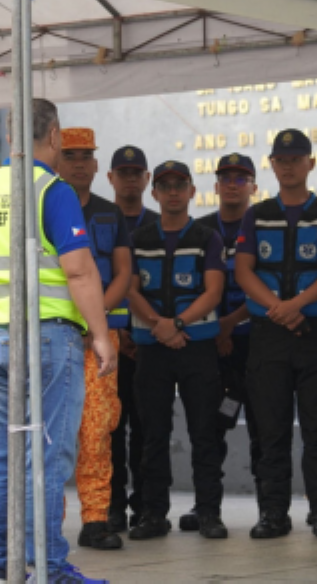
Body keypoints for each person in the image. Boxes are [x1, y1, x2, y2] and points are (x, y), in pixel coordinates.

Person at [0, 98, 115, 584]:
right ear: (53, 138)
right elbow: (78, 268)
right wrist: (102, 335)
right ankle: (46, 568)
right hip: (48, 336)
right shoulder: (53, 189)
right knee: (46, 455)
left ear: (9, 137)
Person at [235, 129, 317, 539]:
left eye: (296, 158)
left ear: (310, 163)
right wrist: (277, 308)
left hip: (316, 334)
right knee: (271, 430)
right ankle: (273, 514)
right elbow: (244, 269)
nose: (288, 166)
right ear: (272, 164)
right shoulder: (257, 213)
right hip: (269, 335)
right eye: (281, 160)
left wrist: (295, 304)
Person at [125, 160, 228, 541]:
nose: (172, 191)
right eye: (165, 185)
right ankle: (152, 514)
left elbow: (213, 291)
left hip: (197, 346)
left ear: (191, 192)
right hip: (152, 349)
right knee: (152, 433)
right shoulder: (140, 238)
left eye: (179, 185)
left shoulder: (207, 237)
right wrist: (159, 325)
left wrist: (177, 324)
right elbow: (131, 289)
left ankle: (209, 512)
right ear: (154, 192)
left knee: (205, 432)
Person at [55, 128, 133, 551]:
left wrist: (95, 318)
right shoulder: (44, 208)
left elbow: (123, 272)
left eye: (86, 156)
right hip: (54, 334)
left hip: (100, 338)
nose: (79, 163)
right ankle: (50, 522)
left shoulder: (110, 213)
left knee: (97, 429)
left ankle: (96, 519)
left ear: (96, 165)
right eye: (71, 155)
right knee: (52, 432)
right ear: (57, 159)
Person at [181, 153, 261, 533]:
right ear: (215, 186)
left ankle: (270, 509)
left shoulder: (263, 225)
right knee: (209, 428)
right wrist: (219, 328)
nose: (233, 184)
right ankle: (205, 506)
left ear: (253, 187)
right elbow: (198, 290)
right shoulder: (200, 231)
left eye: (241, 178)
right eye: (226, 178)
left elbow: (268, 285)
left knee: (265, 427)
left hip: (256, 343)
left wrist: (231, 323)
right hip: (211, 345)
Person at [106, 145, 158, 533]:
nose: (129, 179)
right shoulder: (99, 219)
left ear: (146, 179)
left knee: (146, 428)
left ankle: (146, 506)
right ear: (110, 178)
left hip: (148, 343)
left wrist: (144, 328)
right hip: (107, 340)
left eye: (135, 172)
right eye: (122, 172)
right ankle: (111, 506)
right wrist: (115, 329)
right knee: (109, 429)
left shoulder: (158, 225)